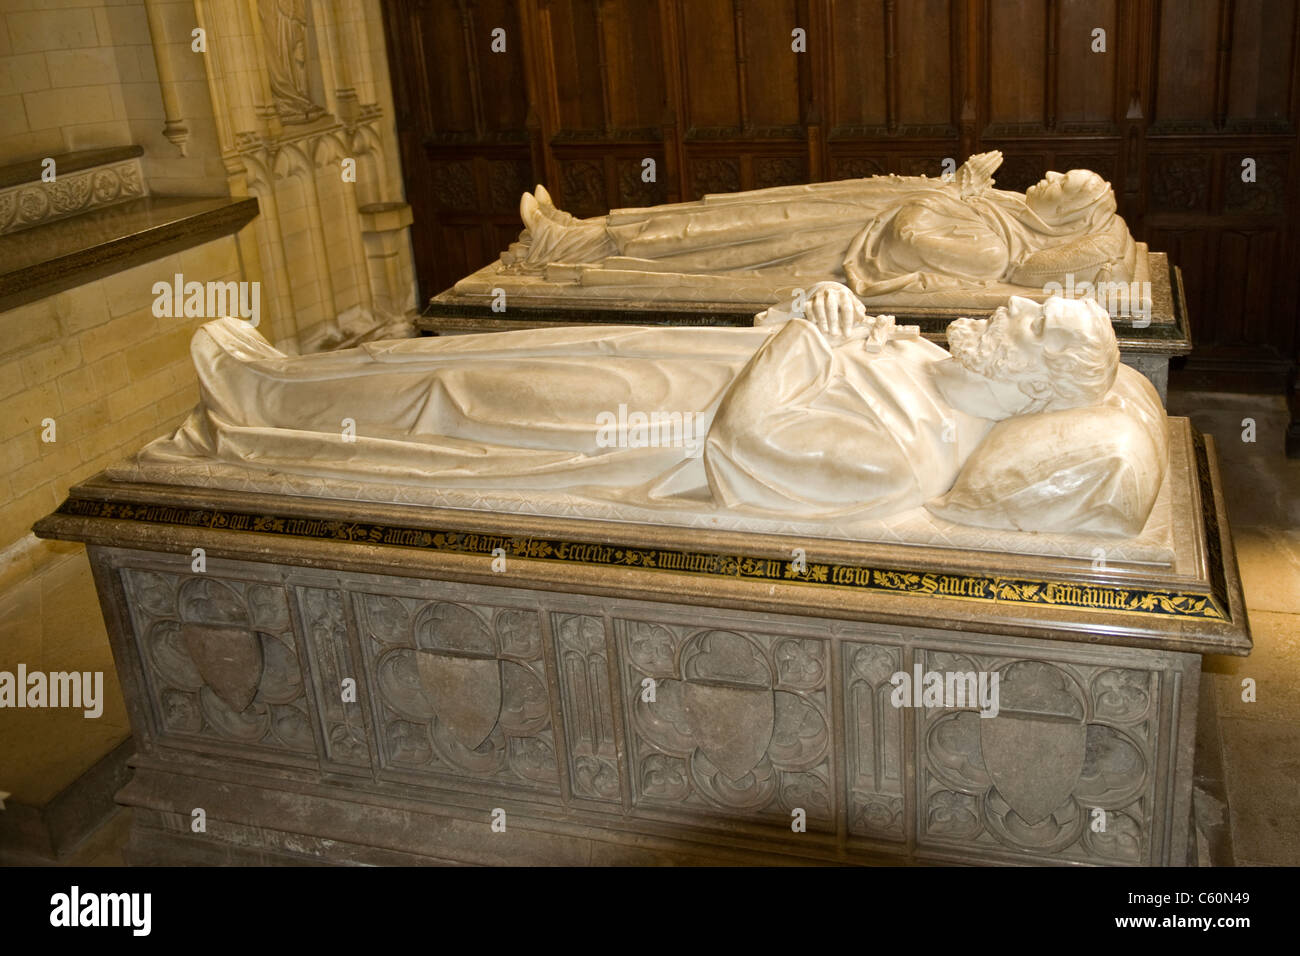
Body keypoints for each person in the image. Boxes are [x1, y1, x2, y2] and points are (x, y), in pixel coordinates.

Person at [144, 284, 1121, 522]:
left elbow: (752, 443)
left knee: (455, 395)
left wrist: (807, 333)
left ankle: (260, 410)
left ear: (1035, 385)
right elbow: (775, 326)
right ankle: (288, 379)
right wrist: (809, 305)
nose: (1008, 306)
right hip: (657, 361)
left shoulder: (912, 455)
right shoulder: (916, 350)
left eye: (1032, 323)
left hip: (639, 433)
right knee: (468, 364)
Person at [499, 152, 1136, 300]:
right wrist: (958, 185)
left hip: (817, 246)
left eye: (1063, 187)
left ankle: (567, 244)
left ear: (1066, 222)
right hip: (830, 212)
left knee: (708, 239)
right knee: (717, 212)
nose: (1048, 179)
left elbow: (909, 238)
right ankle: (578, 229)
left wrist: (945, 198)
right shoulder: (1005, 209)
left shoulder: (998, 246)